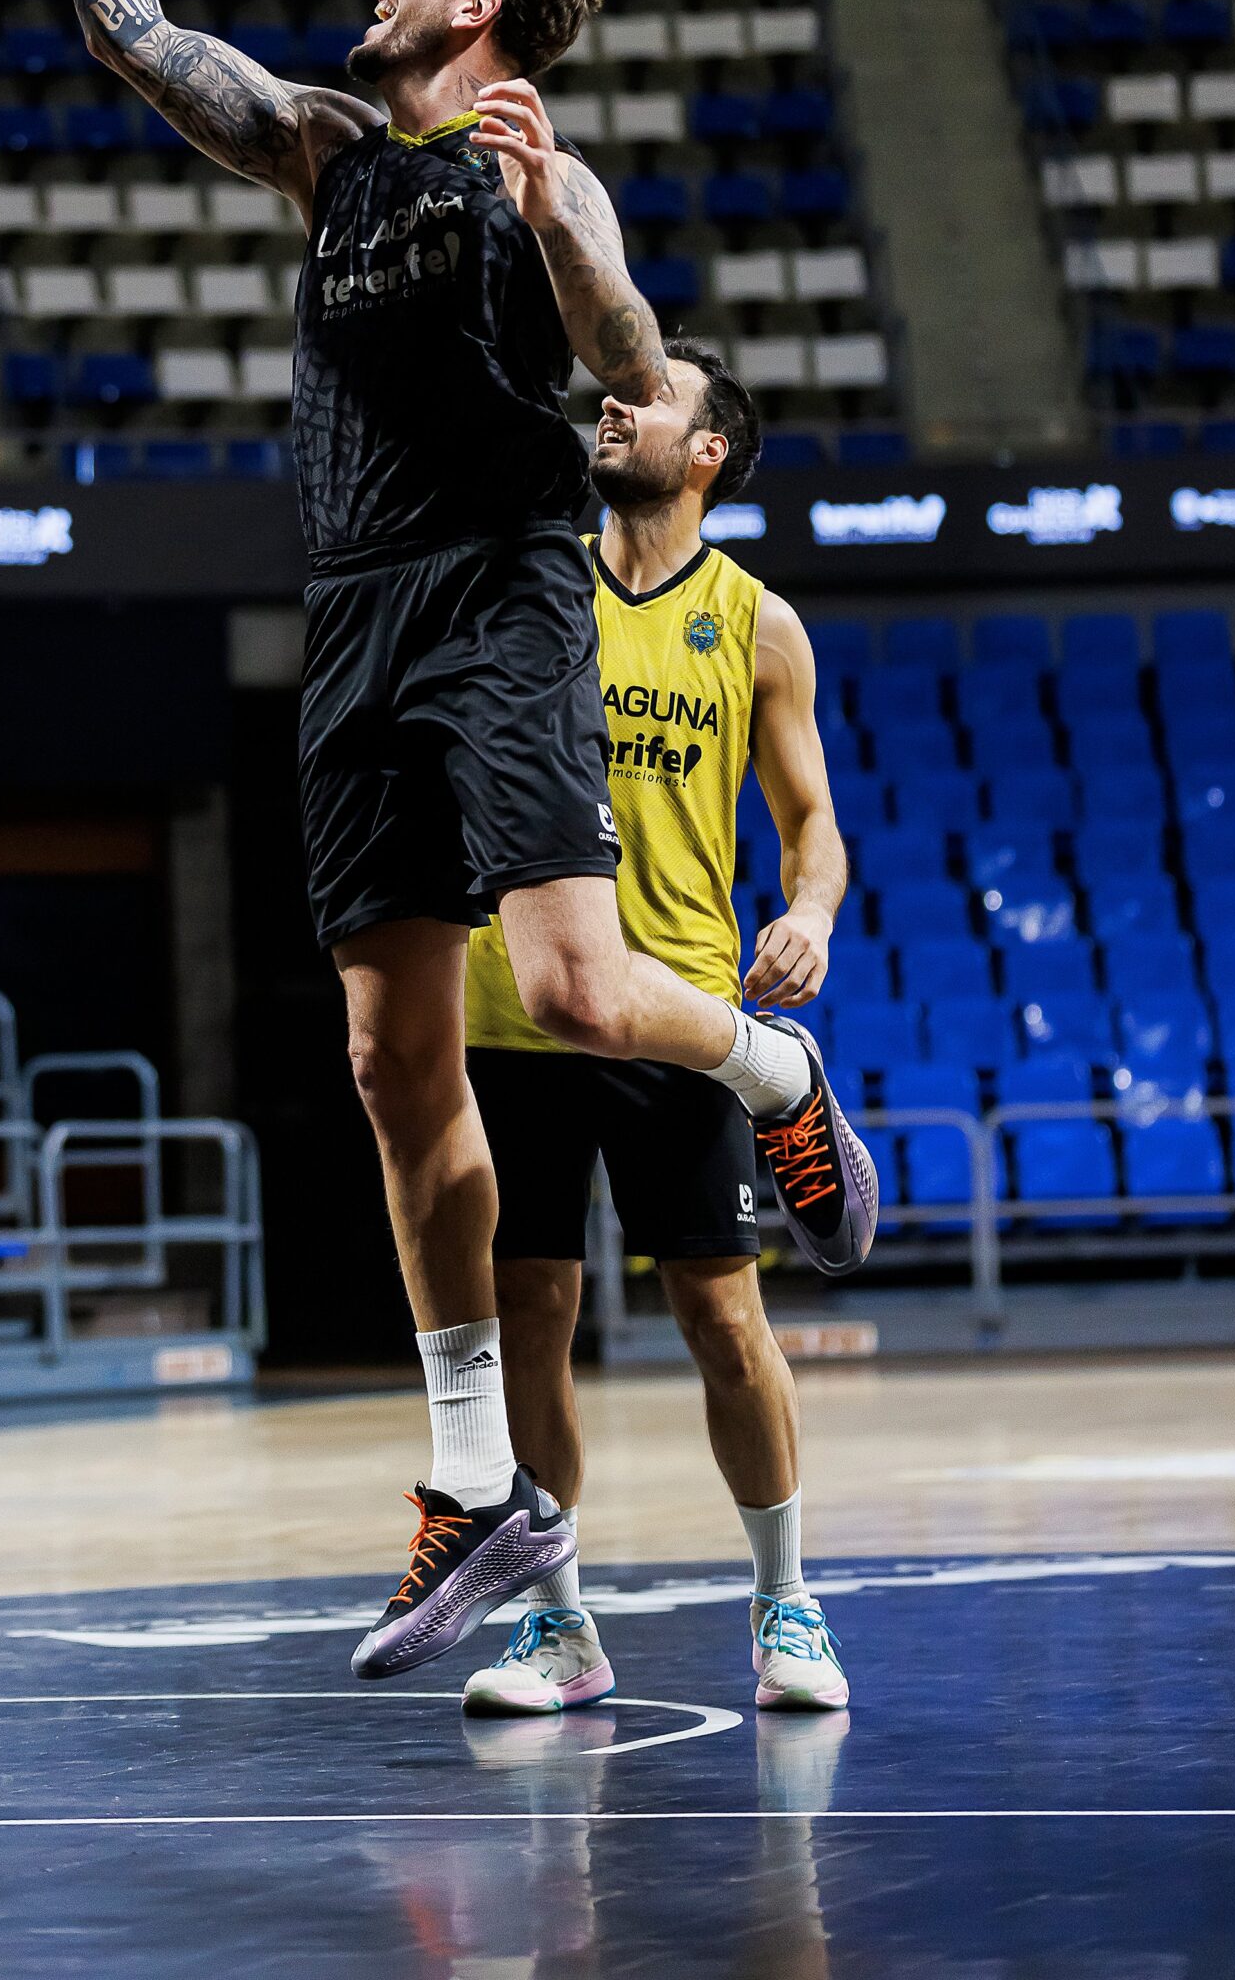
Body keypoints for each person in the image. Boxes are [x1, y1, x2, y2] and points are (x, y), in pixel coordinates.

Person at [0, 0, 875, 1683]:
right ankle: (476, 1487)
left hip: (497, 598)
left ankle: (772, 1076)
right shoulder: (323, 145)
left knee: (568, 989)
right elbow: (136, 32)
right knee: (397, 1065)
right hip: (353, 616)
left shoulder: (537, 174)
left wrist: (567, 229)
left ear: (472, 4)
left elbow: (631, 361)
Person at [460, 345, 854, 1716]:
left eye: (654, 394)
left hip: (678, 1006)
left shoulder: (756, 624)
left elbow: (814, 826)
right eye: (612, 388)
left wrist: (807, 913)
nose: (615, 402)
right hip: (511, 1002)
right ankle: (559, 1628)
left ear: (708, 453)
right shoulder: (532, 582)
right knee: (532, 1313)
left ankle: (787, 1607)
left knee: (718, 1310)